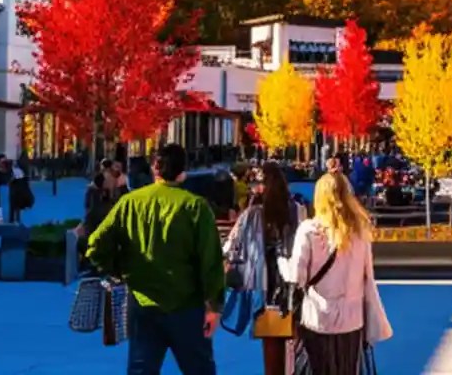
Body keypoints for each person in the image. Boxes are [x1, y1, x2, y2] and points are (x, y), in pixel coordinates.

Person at [88, 144, 225, 375]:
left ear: (155, 169)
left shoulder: (130, 203)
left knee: (141, 368)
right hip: (186, 306)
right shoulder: (195, 207)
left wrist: (119, 270)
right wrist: (214, 305)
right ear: (183, 172)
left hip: (143, 304)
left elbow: (95, 246)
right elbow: (210, 261)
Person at [279, 172, 393, 374]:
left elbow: (298, 278)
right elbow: (368, 278)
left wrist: (282, 263)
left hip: (318, 318)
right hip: (352, 320)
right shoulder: (360, 233)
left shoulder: (309, 230)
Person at [223, 162, 304, 375]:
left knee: (271, 351)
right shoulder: (297, 210)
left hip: (264, 287)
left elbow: (231, 248)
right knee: (295, 347)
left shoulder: (252, 215)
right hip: (294, 287)